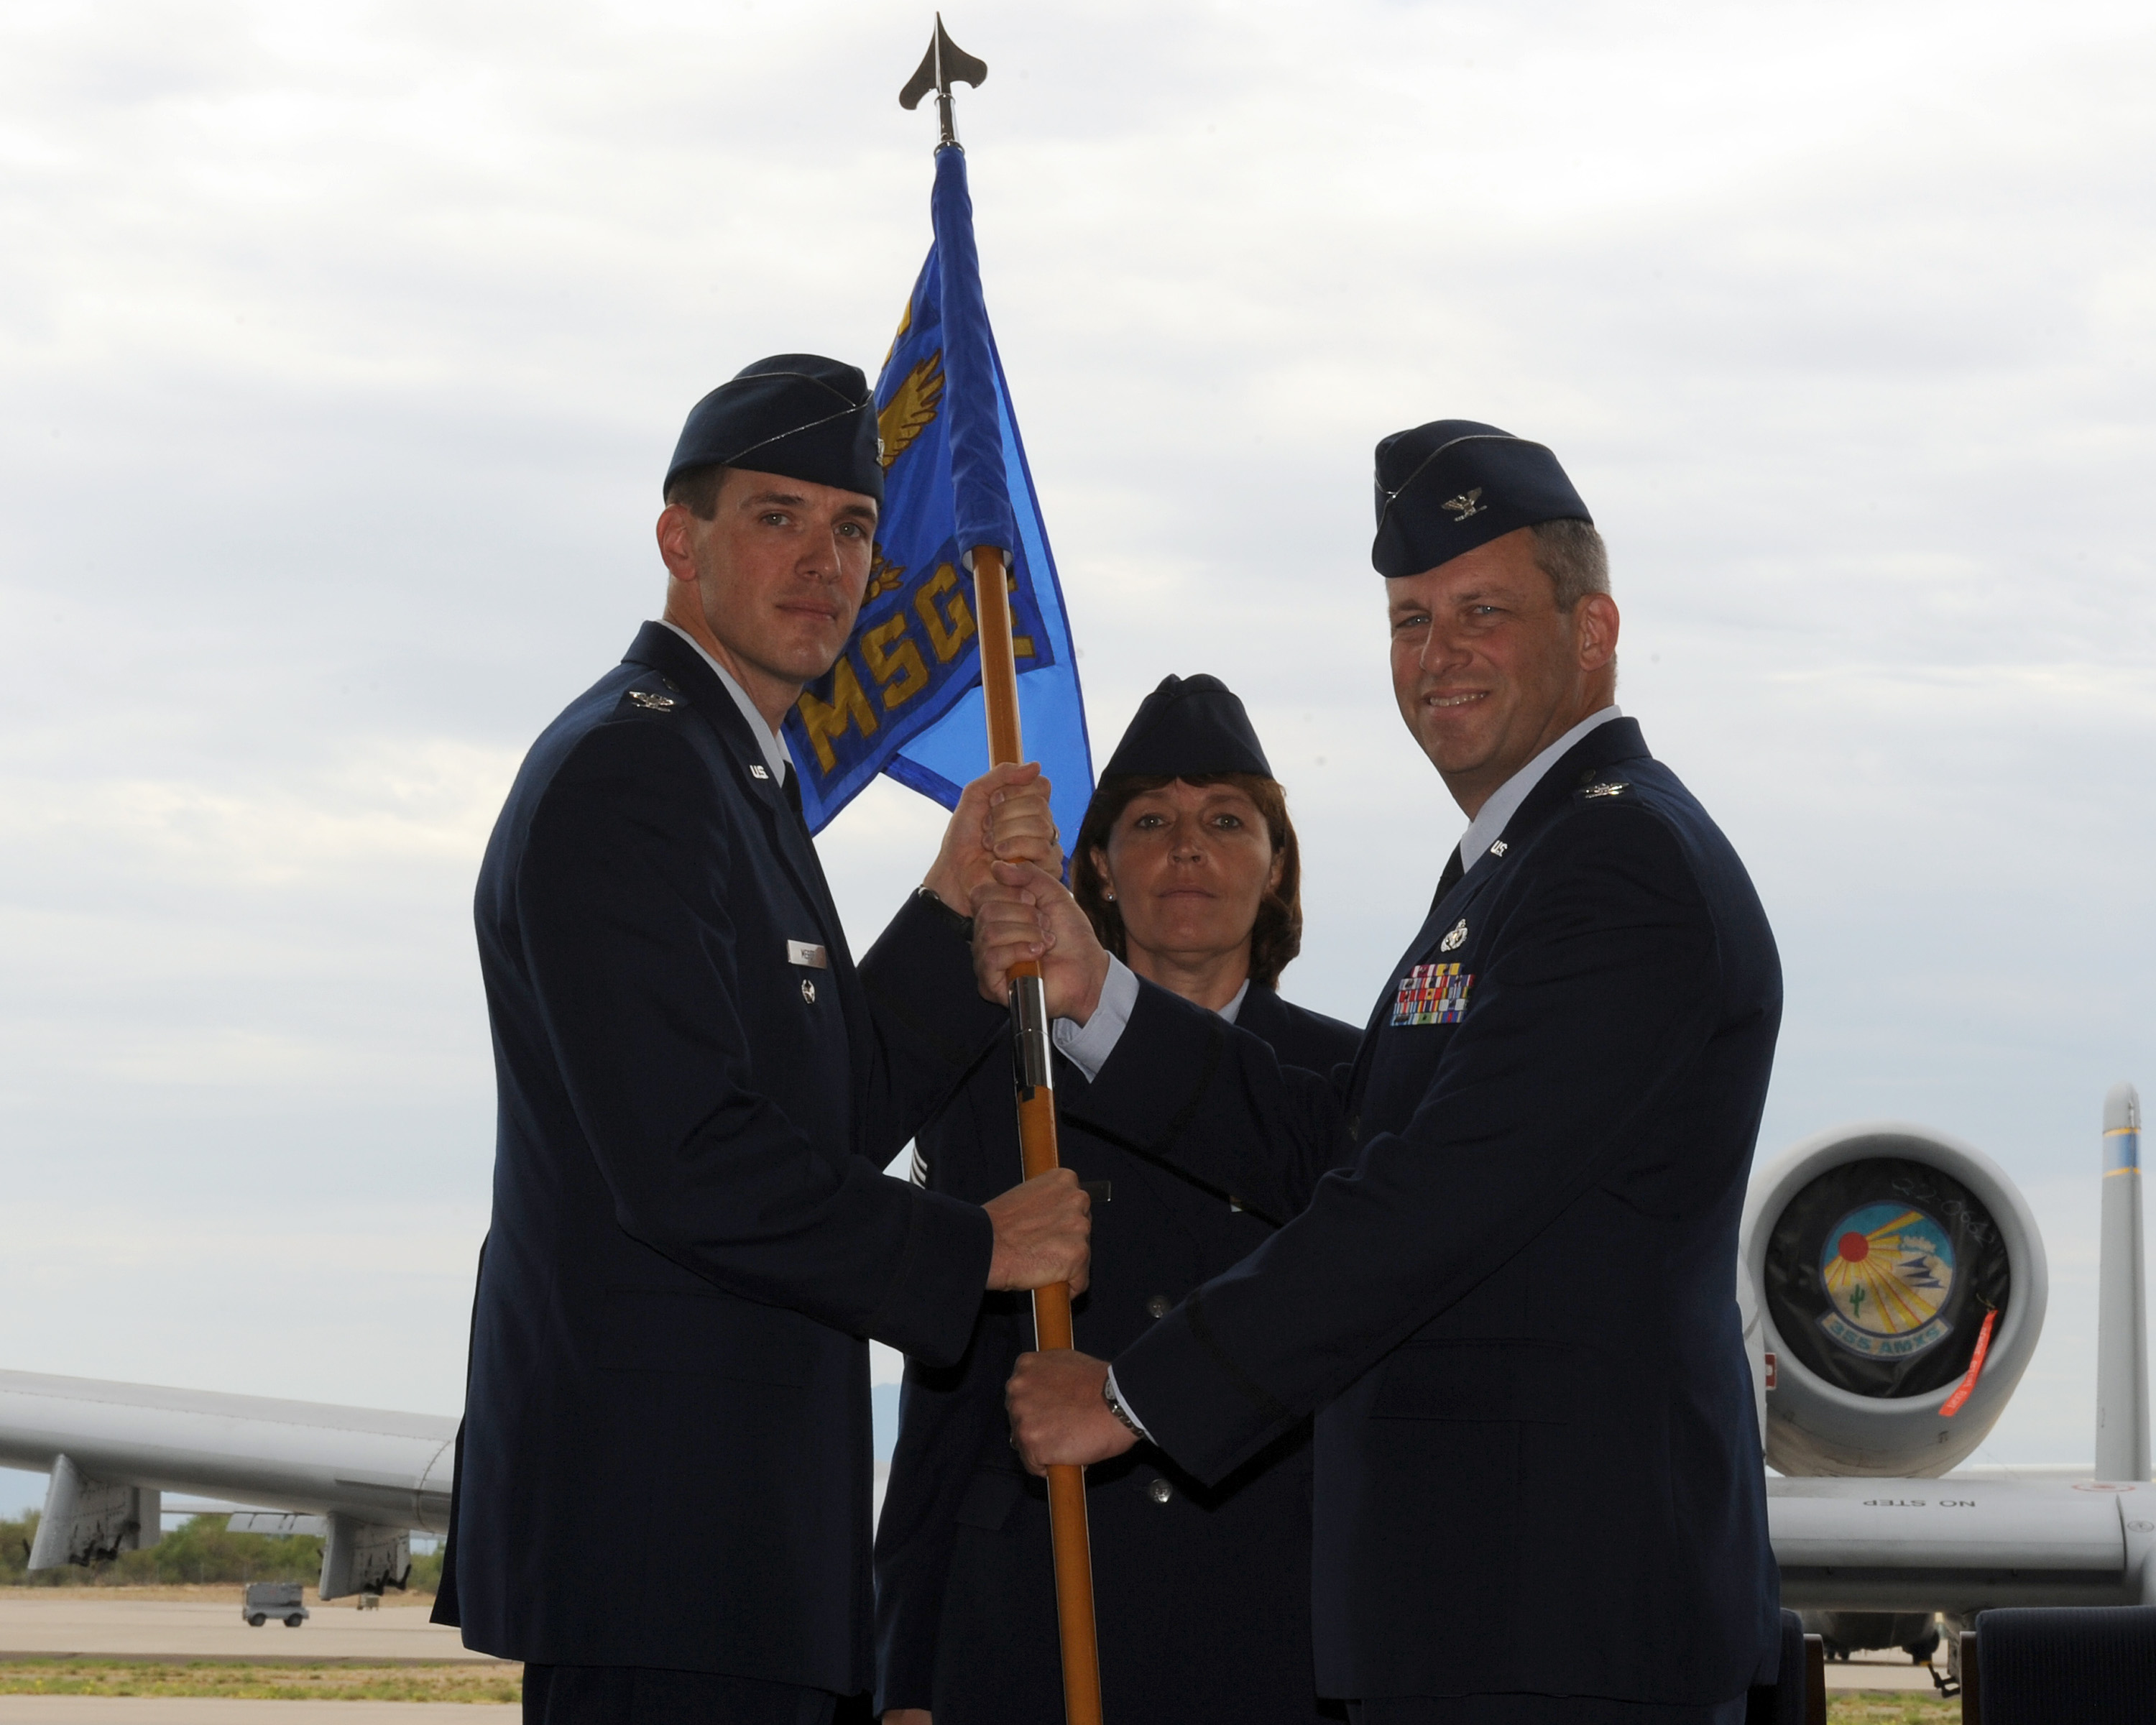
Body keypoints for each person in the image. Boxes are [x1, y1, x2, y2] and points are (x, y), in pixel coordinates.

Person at [975, 423, 1784, 1723]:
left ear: (1594, 631)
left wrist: (1136, 1396)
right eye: (1410, 621)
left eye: (1481, 613)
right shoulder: (1511, 867)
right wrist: (1095, 994)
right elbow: (1341, 1138)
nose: (1437, 655)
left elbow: (1435, 1200)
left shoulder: (1616, 868)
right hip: (1484, 1611)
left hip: (1558, 1618)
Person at [436, 354, 1092, 1725]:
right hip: (661, 1537)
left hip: (725, 1543)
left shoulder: (732, 775)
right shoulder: (634, 770)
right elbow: (686, 1157)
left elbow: (818, 1114)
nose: (825, 561)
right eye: (777, 517)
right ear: (681, 538)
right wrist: (976, 1249)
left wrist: (947, 908)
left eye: (853, 527)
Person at [874, 675, 1359, 1725]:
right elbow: (945, 1399)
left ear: (1276, 872)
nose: (1188, 849)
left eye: (1227, 821)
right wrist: (907, 1671)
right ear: (1098, 865)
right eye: (1150, 822)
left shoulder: (1347, 1090)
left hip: (1274, 1624)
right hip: (1044, 1616)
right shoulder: (1005, 1085)